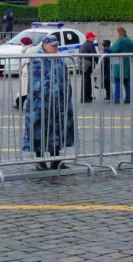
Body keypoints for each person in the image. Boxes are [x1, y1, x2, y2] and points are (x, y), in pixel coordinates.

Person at [22, 34, 75, 170]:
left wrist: (67, 92)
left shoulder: (59, 59)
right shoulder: (37, 59)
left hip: (59, 102)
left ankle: (56, 159)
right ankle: (40, 159)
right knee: (39, 129)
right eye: (53, 45)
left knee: (58, 129)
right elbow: (35, 82)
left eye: (57, 45)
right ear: (45, 46)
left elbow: (65, 76)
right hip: (41, 103)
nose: (56, 47)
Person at [110, 26, 133, 104]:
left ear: (118, 32)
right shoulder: (129, 40)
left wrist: (109, 47)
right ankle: (128, 98)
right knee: (127, 82)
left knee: (117, 80)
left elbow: (114, 49)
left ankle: (116, 98)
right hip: (127, 63)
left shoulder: (119, 41)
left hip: (119, 62)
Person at [14, 36, 35, 109]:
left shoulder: (29, 51)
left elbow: (25, 61)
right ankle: (19, 103)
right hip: (27, 72)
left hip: (27, 72)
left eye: (22, 43)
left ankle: (19, 103)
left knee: (24, 89)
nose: (21, 45)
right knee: (25, 89)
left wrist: (20, 66)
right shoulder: (29, 50)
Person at [77, 32, 98, 103]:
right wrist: (99, 62)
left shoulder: (84, 44)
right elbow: (94, 55)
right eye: (93, 37)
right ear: (89, 37)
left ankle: (87, 96)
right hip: (88, 65)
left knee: (86, 80)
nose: (94, 38)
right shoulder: (90, 45)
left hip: (83, 64)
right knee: (87, 81)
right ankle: (85, 97)